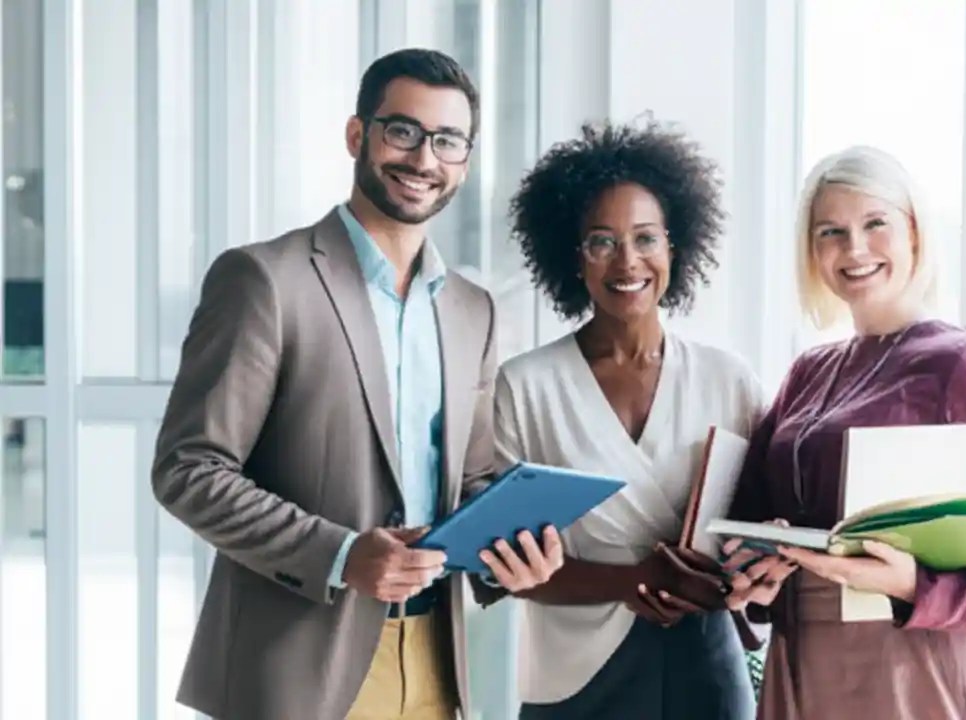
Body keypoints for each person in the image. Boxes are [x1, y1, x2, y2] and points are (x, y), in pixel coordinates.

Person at [152, 48, 563, 720]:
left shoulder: (472, 310)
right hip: (299, 666)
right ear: (357, 134)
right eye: (402, 130)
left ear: (466, 158)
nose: (423, 159)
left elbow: (475, 475)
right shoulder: (265, 282)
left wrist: (513, 553)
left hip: (435, 659)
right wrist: (341, 554)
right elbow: (188, 469)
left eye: (447, 140)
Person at [723, 146, 966, 720]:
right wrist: (753, 568)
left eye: (874, 224)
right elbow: (743, 523)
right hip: (803, 664)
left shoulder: (963, 362)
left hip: (918, 666)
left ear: (914, 233)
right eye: (831, 232)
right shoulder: (808, 372)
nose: (854, 249)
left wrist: (916, 587)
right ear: (812, 252)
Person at [493, 119, 762, 720]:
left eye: (646, 238)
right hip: (578, 675)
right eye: (601, 241)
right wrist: (633, 581)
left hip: (705, 663)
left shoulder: (730, 378)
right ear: (574, 257)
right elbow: (507, 566)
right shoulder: (526, 386)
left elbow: (759, 528)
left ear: (675, 246)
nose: (627, 261)